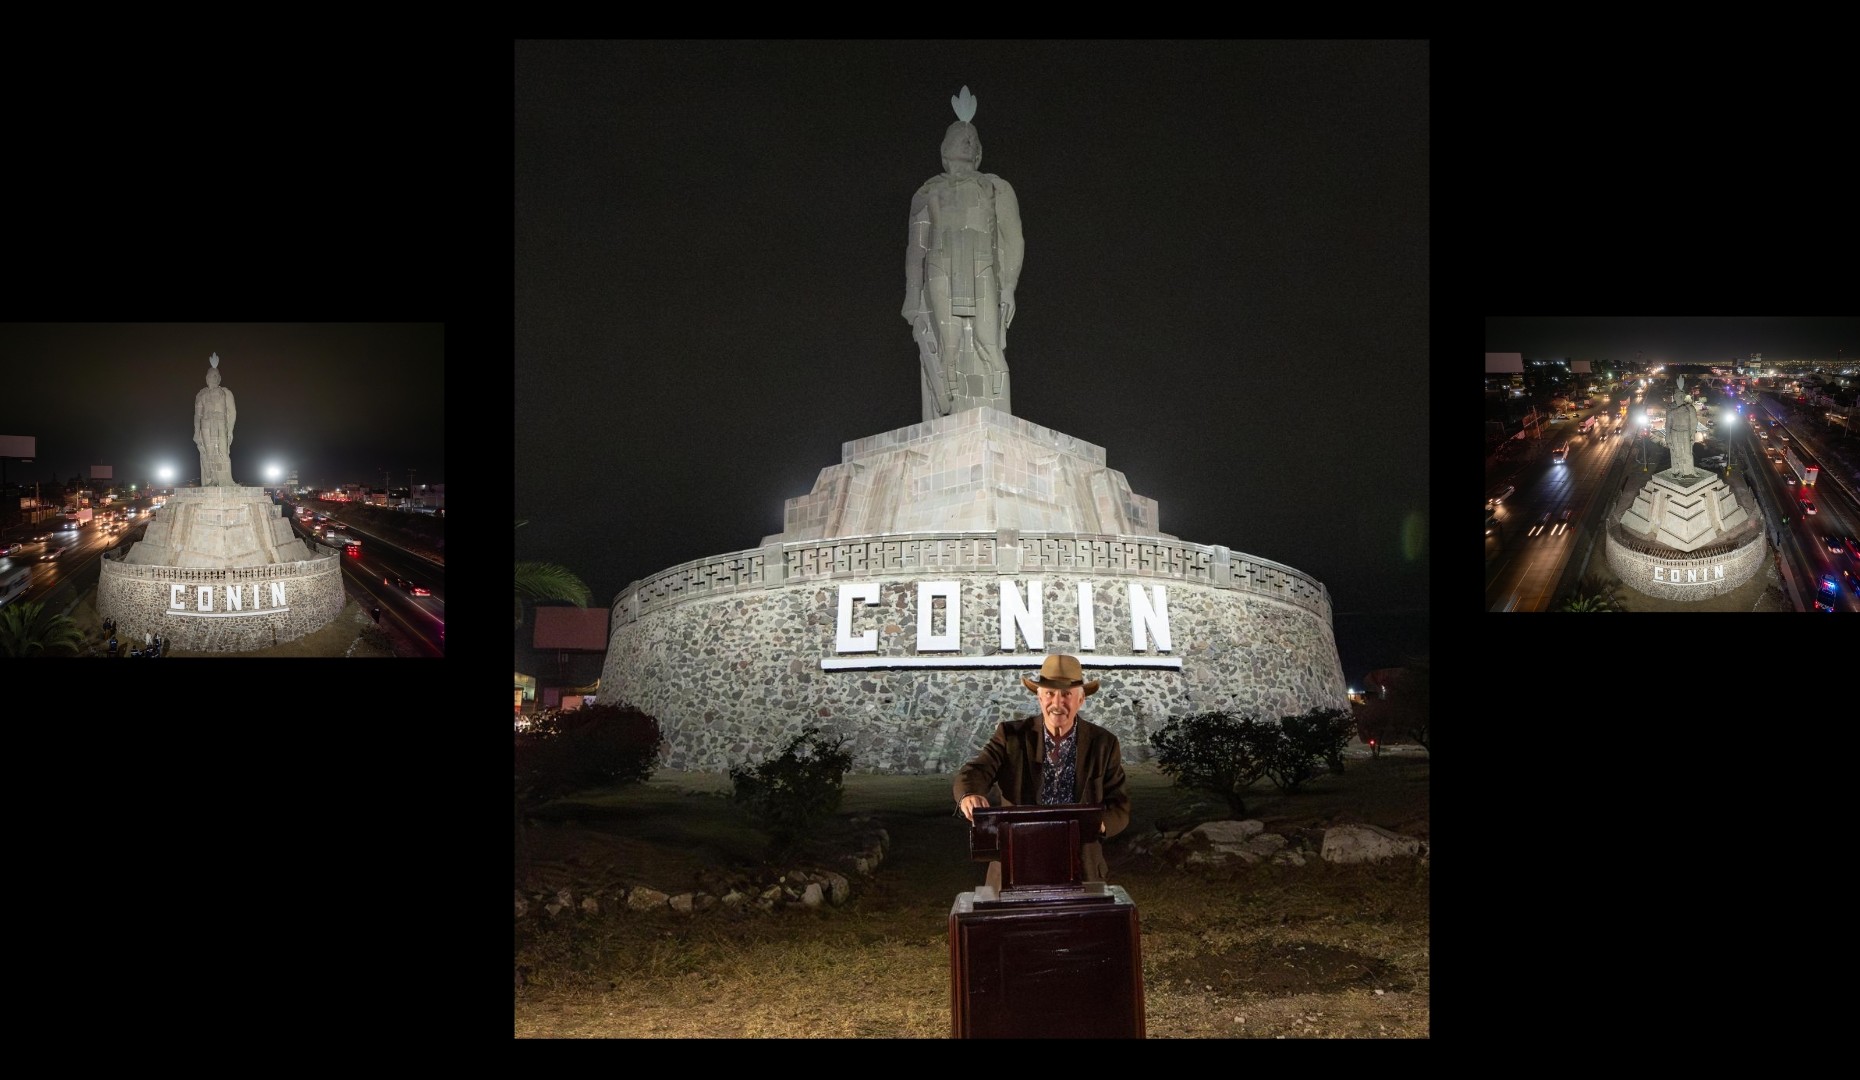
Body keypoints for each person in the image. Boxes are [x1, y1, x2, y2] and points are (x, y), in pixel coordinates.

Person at [953, 654, 1131, 890]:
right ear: (1039, 697)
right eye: (1049, 693)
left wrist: (1099, 824)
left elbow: (1119, 806)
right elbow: (977, 770)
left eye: (1066, 694)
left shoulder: (1104, 743)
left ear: (1081, 700)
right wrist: (969, 794)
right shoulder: (1010, 736)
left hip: (1081, 869)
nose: (1057, 703)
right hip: (1016, 865)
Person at [903, 86, 1023, 422]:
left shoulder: (995, 187)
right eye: (960, 135)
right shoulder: (928, 192)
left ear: (980, 152)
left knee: (989, 342)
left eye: (973, 137)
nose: (967, 139)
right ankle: (948, 402)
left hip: (981, 267)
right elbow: (917, 248)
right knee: (948, 342)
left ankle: (999, 412)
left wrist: (1009, 286)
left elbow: (1013, 239)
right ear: (945, 149)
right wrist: (912, 298)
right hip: (942, 266)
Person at [193, 352, 238, 487]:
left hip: (220, 423)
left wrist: (230, 430)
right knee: (209, 452)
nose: (212, 379)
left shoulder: (226, 392)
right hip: (206, 424)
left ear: (219, 378)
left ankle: (227, 480)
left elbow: (232, 412)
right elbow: (197, 415)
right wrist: (196, 432)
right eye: (209, 376)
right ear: (206, 378)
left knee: (223, 451)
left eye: (215, 376)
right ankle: (213, 479)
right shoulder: (201, 394)